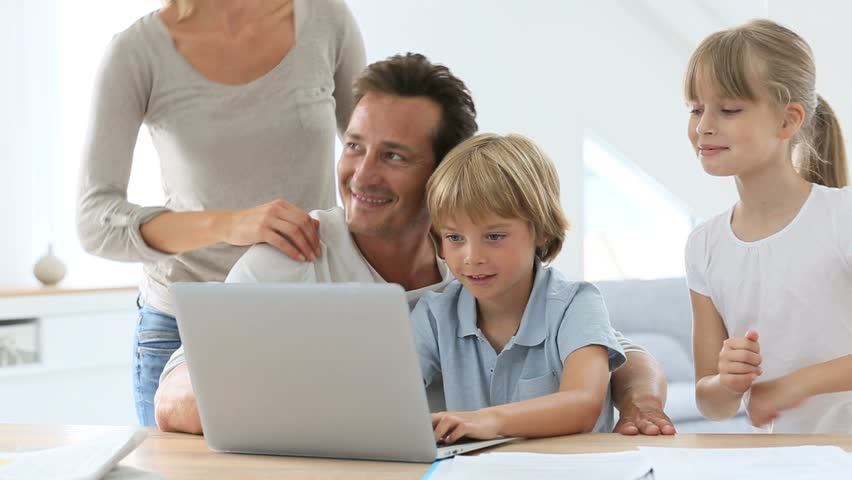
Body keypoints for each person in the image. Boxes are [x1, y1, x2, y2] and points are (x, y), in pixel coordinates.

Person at [154, 53, 675, 436]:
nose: (362, 174)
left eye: (395, 157)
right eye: (355, 147)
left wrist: (639, 404)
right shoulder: (294, 255)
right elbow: (177, 400)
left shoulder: (475, 272)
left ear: (441, 175)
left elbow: (620, 355)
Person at [75, 0, 365, 426]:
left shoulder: (327, 19)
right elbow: (94, 220)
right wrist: (232, 224)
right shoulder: (136, 51)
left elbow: (371, 154)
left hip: (308, 316)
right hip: (186, 325)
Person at [685, 19, 852, 433]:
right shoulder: (704, 245)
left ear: (787, 121)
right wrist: (727, 382)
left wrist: (798, 384)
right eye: (695, 108)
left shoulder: (842, 217)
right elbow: (711, 403)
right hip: (785, 462)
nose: (704, 125)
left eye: (728, 110)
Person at [414, 133, 625, 444]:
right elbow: (387, 399)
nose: (472, 257)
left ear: (540, 230)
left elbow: (584, 403)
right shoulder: (434, 313)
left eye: (495, 236)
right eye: (455, 238)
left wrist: (489, 420)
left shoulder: (576, 304)